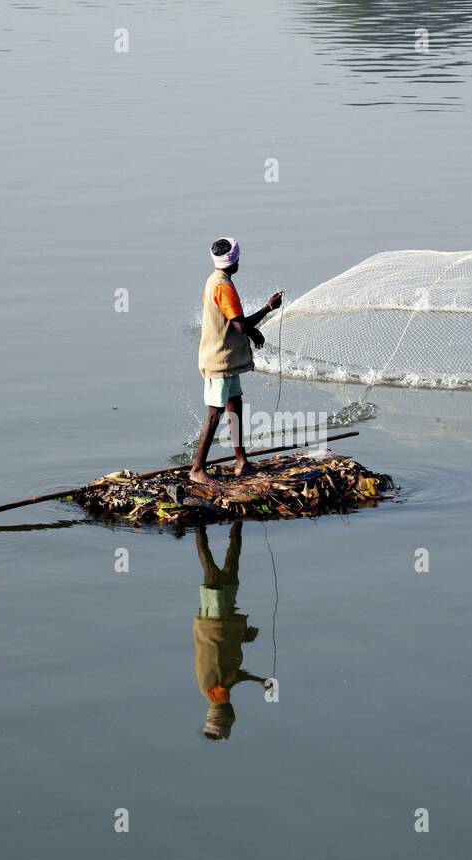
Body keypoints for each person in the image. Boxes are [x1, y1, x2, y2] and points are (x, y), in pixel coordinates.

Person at [190, 237, 283, 487]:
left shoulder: (217, 280)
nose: (240, 261)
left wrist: (254, 333)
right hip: (217, 359)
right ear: (234, 261)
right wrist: (268, 307)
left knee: (235, 404)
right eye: (238, 257)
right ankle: (197, 469)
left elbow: (231, 319)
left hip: (227, 358)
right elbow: (240, 325)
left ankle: (241, 462)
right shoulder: (222, 286)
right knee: (214, 413)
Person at [193, 522, 266, 740]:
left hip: (215, 621)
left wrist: (242, 638)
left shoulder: (215, 693)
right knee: (231, 563)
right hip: (223, 621)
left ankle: (199, 527)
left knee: (211, 569)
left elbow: (223, 660)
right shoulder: (216, 689)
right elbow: (232, 669)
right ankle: (236, 522)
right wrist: (258, 679)